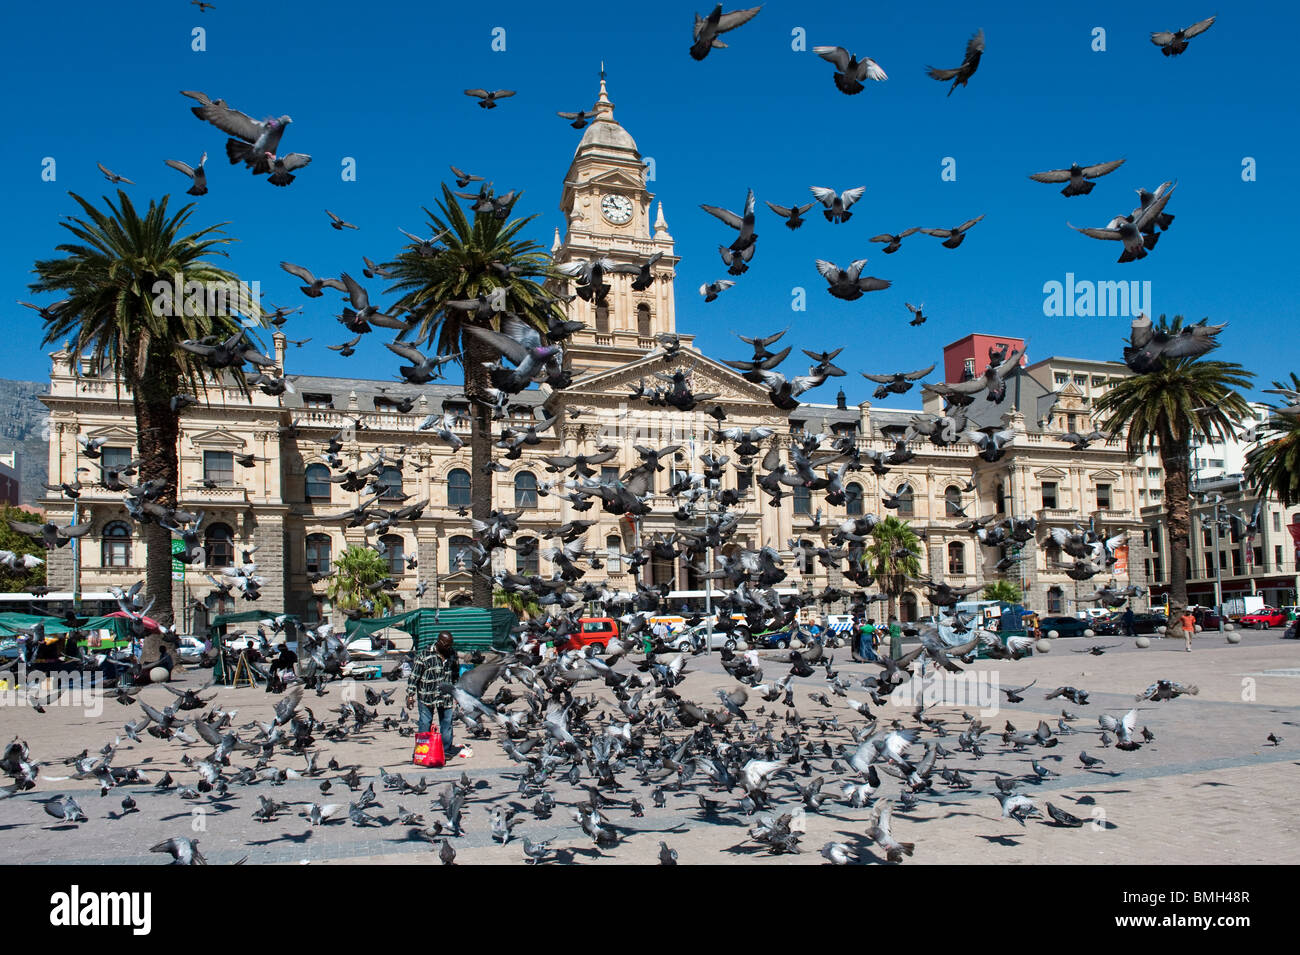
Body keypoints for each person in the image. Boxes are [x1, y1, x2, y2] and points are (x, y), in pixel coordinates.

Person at [406, 631, 472, 760]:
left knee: (447, 723)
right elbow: (414, 676)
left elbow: (455, 676)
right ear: (440, 642)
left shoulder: (452, 654)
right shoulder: (425, 655)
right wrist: (410, 695)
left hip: (445, 696)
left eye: (450, 645)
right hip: (426, 695)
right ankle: (422, 751)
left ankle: (445, 750)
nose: (449, 647)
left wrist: (458, 695)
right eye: (447, 645)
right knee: (425, 723)